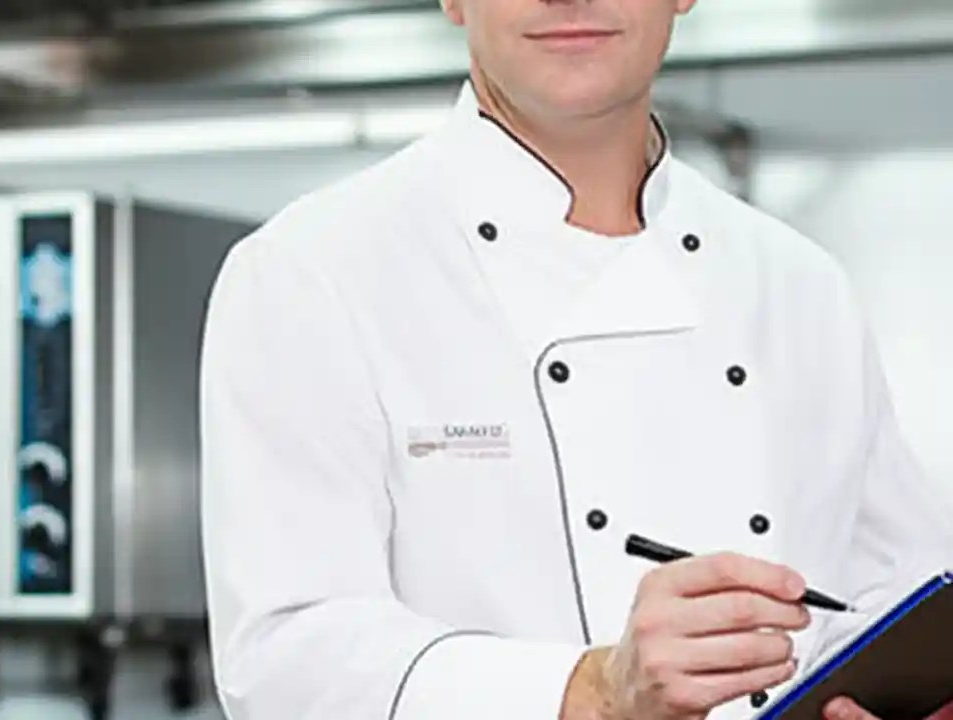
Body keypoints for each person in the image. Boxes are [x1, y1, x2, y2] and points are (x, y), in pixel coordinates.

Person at [198, 1, 953, 718]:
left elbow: (902, 597)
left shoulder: (799, 284)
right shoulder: (311, 273)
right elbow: (282, 663)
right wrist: (592, 691)